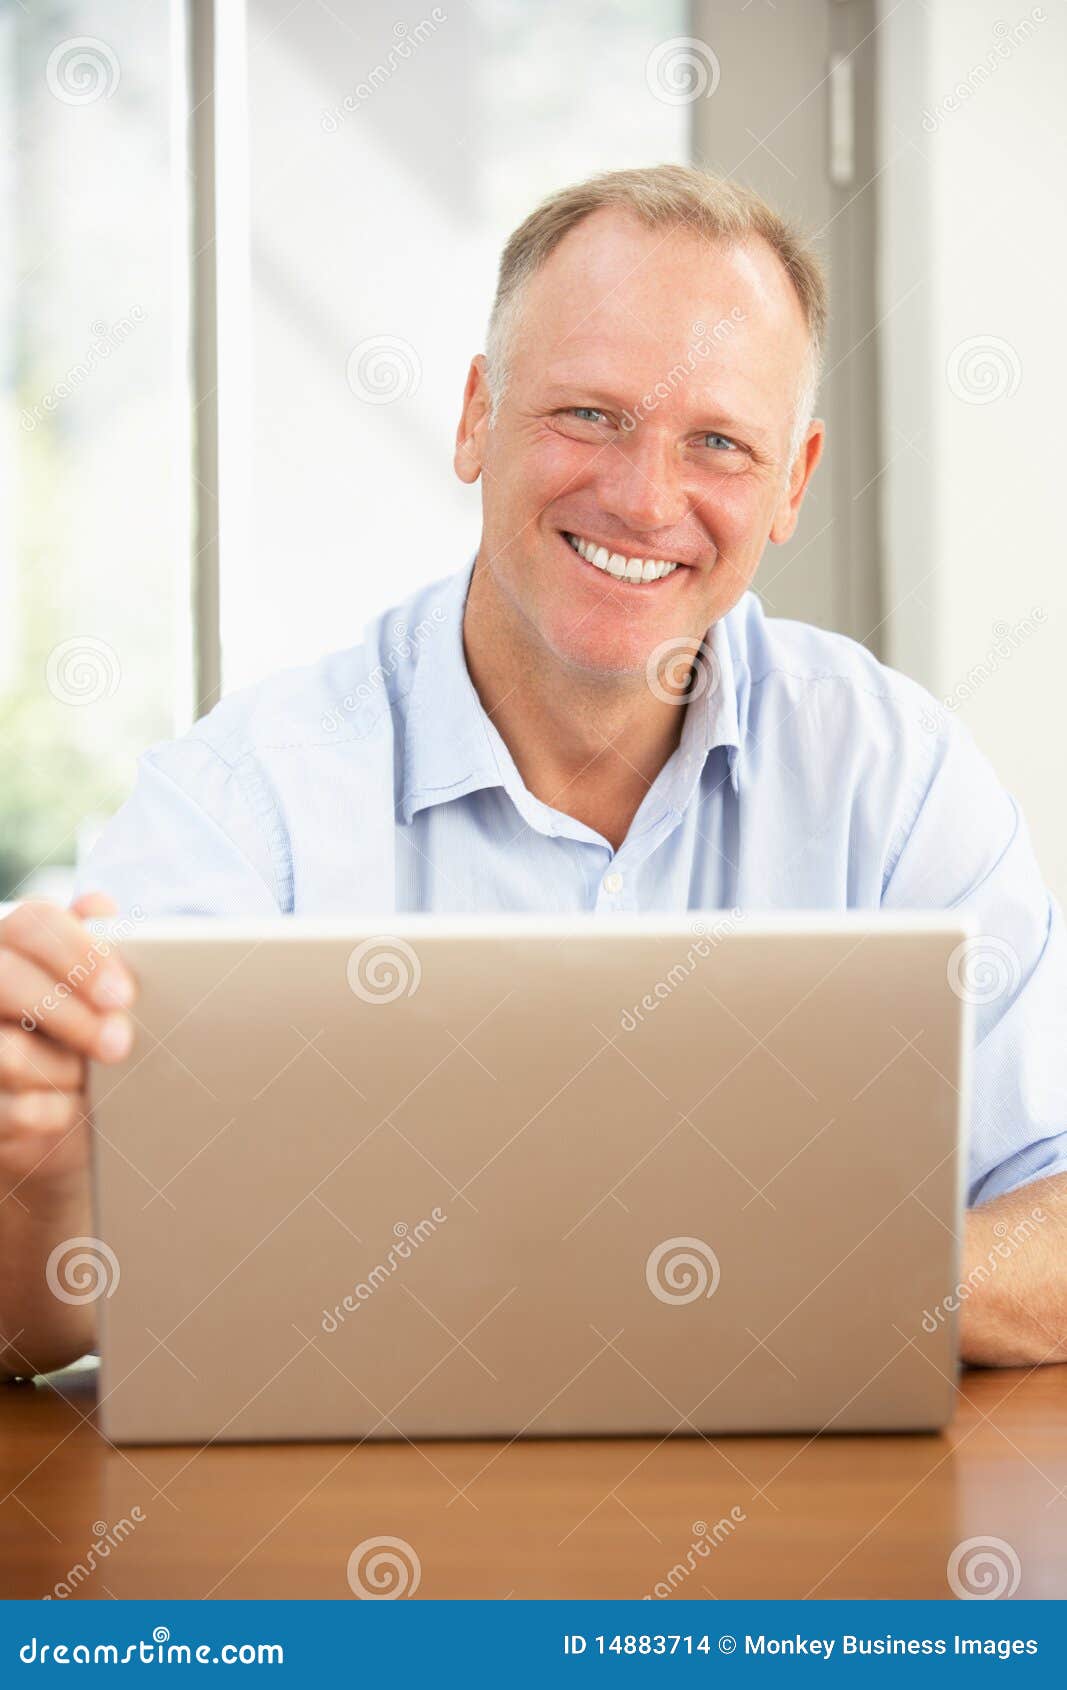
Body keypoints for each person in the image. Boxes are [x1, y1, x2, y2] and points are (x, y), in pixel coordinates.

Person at [1, 166, 1064, 1383]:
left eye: (716, 442)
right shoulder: (244, 807)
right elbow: (35, 1322)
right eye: (588, 416)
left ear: (791, 483)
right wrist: (40, 1185)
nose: (642, 496)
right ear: (474, 418)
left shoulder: (897, 780)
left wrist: (773, 1272)